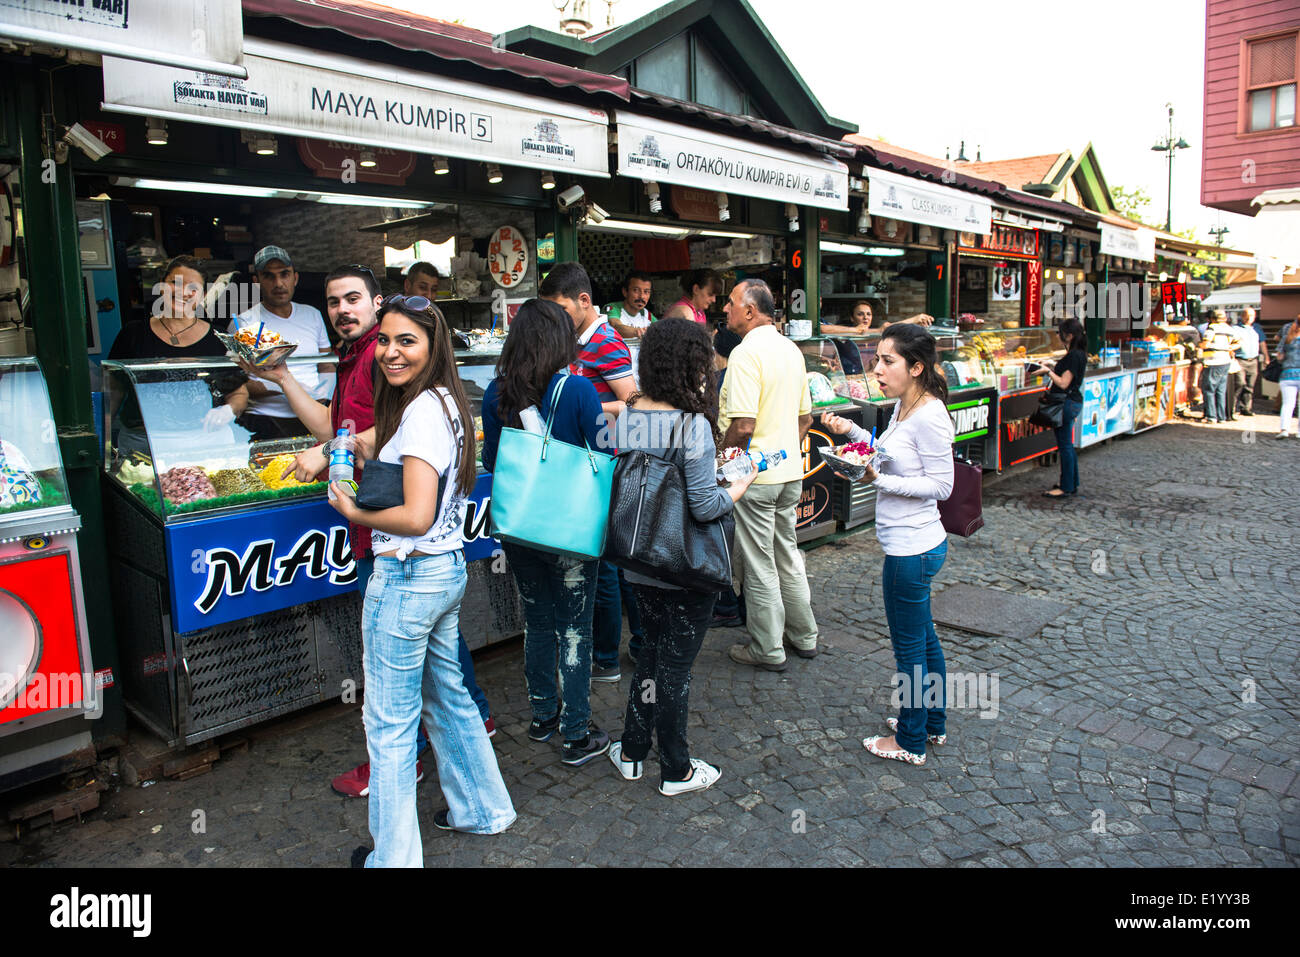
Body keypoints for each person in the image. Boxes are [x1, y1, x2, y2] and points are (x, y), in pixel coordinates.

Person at [254, 266, 495, 799]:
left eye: (354, 299)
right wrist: (290, 383)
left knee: (392, 702)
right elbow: (343, 428)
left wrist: (349, 495)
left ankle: (399, 789)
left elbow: (411, 500)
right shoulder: (374, 368)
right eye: (334, 301)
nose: (343, 309)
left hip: (400, 544)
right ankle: (478, 781)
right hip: (420, 550)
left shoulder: (403, 387)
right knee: (443, 677)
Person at [330, 295, 514, 867]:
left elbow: (414, 515)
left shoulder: (424, 412)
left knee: (388, 725)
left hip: (409, 576)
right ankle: (483, 810)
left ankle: (393, 859)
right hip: (442, 573)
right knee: (448, 699)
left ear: (433, 347)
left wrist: (354, 513)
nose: (390, 352)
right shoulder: (443, 402)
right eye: (385, 340)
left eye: (406, 341)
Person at [608, 317, 757, 795]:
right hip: (686, 566)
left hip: (639, 560)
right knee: (674, 667)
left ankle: (632, 751)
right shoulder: (690, 425)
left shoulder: (632, 414)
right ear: (690, 364)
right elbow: (704, 505)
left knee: (649, 654)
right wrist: (738, 485)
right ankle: (676, 769)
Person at [480, 298, 613, 766]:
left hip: (519, 527)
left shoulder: (496, 394)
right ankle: (576, 733)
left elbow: (491, 462)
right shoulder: (578, 392)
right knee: (574, 627)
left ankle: (543, 716)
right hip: (571, 529)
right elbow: (603, 453)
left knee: (536, 622)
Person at [820, 323, 954, 766]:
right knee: (925, 640)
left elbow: (941, 485)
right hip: (911, 545)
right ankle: (931, 723)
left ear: (916, 368)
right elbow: (891, 453)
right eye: (877, 359)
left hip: (912, 550)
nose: (877, 369)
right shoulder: (904, 405)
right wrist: (853, 438)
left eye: (888, 361)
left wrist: (879, 480)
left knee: (910, 647)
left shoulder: (930, 414)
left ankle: (911, 739)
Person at [539, 262, 638, 681]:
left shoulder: (604, 340)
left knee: (606, 565)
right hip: (584, 460)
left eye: (561, 309)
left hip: (604, 462)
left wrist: (586, 406)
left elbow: (635, 401)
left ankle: (606, 658)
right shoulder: (576, 339)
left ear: (583, 301)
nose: (556, 319)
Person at [719, 278, 818, 671]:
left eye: (730, 303)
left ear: (749, 310)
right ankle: (804, 636)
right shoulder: (791, 349)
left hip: (756, 480)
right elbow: (805, 418)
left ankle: (768, 649)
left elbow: (743, 425)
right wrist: (782, 456)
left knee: (760, 563)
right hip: (788, 473)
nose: (724, 309)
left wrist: (727, 467)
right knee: (787, 556)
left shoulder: (746, 354)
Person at [107, 255, 249, 428]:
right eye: (176, 283)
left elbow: (238, 394)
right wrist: (102, 438)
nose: (183, 292)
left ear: (202, 295)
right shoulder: (133, 333)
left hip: (206, 437)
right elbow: (114, 391)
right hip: (144, 442)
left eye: (193, 288)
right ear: (162, 285)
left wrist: (227, 411)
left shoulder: (218, 337)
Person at [234, 245, 334, 440]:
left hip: (316, 413)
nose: (278, 283)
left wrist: (325, 391)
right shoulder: (245, 323)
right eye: (269, 276)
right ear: (257, 282)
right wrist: (287, 386)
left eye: (284, 274)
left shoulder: (312, 314)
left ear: (295, 278)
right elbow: (241, 384)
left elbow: (327, 363)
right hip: (269, 419)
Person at [1031, 317, 1087, 499]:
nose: (1058, 336)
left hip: (1066, 402)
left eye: (1061, 333)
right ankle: (1071, 483)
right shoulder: (1078, 353)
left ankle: (1065, 487)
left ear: (1069, 336)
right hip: (1073, 401)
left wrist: (1048, 372)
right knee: (1067, 445)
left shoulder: (1073, 356)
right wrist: (1053, 366)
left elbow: (1063, 383)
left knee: (1065, 446)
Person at [1198, 309, 1241, 424]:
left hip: (1213, 361)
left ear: (1212, 319)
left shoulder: (1212, 328)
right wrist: (1228, 348)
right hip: (1225, 361)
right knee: (1221, 390)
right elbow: (1239, 342)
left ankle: (1211, 416)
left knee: (1209, 389)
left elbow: (1206, 343)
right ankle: (1221, 417)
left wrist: (1198, 345)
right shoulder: (1229, 329)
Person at [1234, 306, 1267, 416]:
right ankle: (1232, 407)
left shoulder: (1257, 328)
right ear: (1242, 316)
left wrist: (1266, 357)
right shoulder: (1235, 329)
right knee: (1239, 383)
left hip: (1253, 360)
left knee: (1249, 385)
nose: (1249, 318)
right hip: (1240, 359)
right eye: (1247, 315)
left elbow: (1262, 343)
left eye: (1252, 315)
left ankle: (1246, 408)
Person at [605, 270, 656, 340]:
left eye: (646, 292)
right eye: (636, 290)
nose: (641, 296)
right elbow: (615, 325)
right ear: (625, 292)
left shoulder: (647, 315)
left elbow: (661, 330)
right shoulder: (613, 308)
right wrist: (637, 331)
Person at [1276, 312, 1300, 439]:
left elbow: (1279, 356)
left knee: (1287, 404)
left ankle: (1284, 429)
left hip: (1287, 375)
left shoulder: (1287, 338)